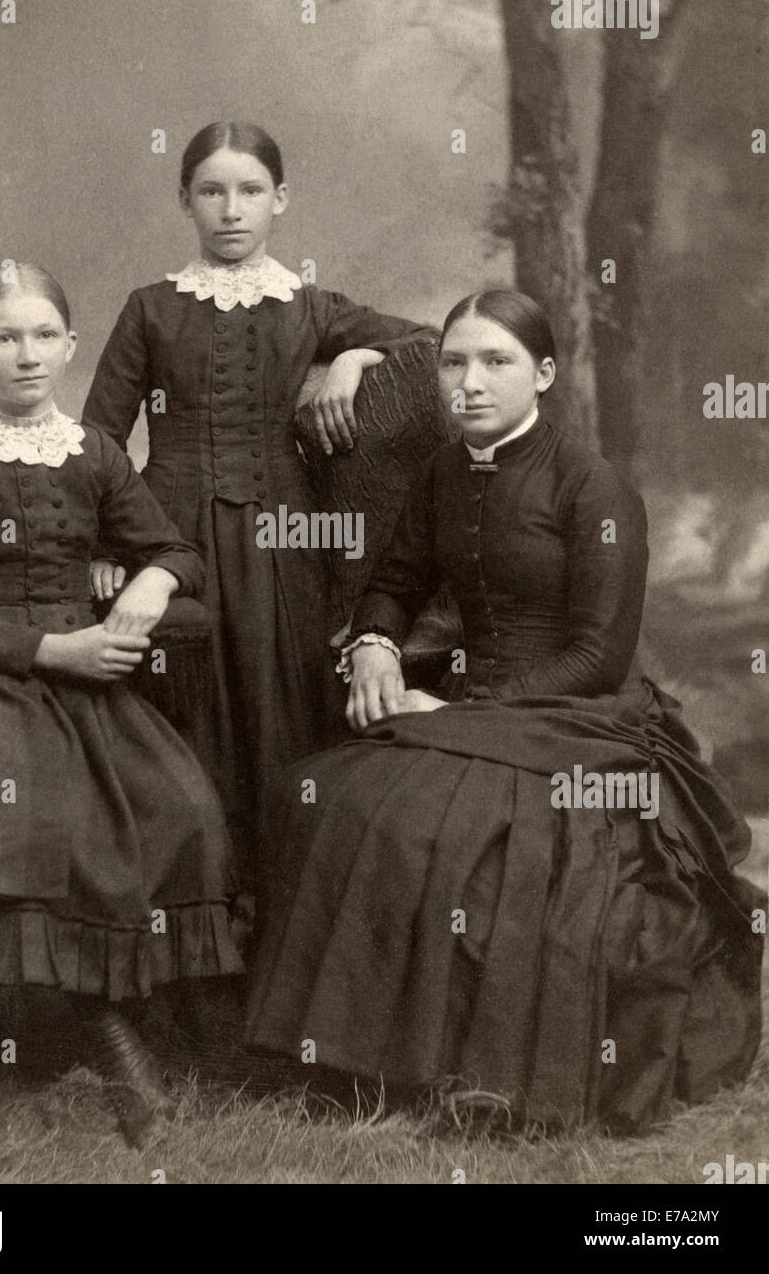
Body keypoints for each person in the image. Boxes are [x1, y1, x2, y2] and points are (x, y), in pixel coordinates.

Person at [245, 289, 764, 1135]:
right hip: (466, 705)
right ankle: (369, 1060)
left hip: (581, 721)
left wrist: (452, 711)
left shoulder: (593, 485)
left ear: (545, 375)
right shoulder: (444, 472)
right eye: (454, 363)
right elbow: (396, 581)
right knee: (326, 797)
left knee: (453, 836)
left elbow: (598, 658)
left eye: (497, 362)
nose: (470, 384)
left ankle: (467, 1065)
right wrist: (374, 643)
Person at [0, 264, 243, 1146]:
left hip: (86, 680)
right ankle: (100, 1039)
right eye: (3, 338)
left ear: (70, 345)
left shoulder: (94, 454)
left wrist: (151, 578)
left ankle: (131, 1016)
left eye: (42, 337)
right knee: (19, 817)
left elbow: (179, 551)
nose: (26, 356)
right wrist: (54, 648)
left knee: (181, 807)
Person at [82, 121, 430, 869]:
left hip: (287, 540)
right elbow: (99, 441)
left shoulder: (310, 306)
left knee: (284, 702)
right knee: (187, 702)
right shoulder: (151, 307)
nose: (231, 210)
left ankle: (279, 899)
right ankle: (193, 901)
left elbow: (432, 343)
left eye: (250, 191)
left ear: (281, 200)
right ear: (186, 200)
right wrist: (110, 546)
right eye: (212, 191)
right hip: (169, 533)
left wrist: (354, 358)